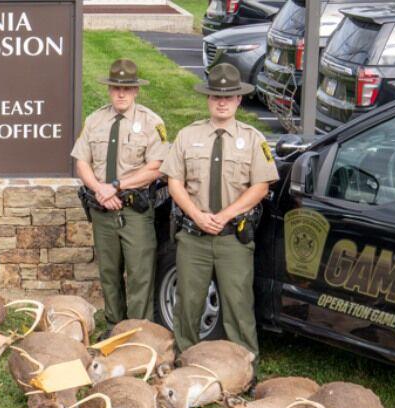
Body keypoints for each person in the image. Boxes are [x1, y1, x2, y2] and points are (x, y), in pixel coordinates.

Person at [159, 63, 279, 357]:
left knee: (238, 305)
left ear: (239, 99)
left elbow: (261, 186)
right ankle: (185, 363)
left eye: (229, 96)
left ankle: (244, 368)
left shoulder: (253, 139)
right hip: (194, 236)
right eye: (216, 96)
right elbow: (174, 182)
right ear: (208, 99)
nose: (222, 102)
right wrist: (197, 215)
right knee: (188, 304)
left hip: (232, 238)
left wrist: (225, 215)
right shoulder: (188, 136)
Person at [71, 59, 169, 333]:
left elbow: (157, 168)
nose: (121, 94)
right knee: (109, 274)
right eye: (116, 88)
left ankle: (138, 333)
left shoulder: (152, 123)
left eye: (127, 88)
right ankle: (115, 328)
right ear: (109, 89)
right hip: (103, 210)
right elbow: (81, 161)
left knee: (140, 275)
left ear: (136, 90)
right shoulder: (95, 120)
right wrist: (100, 189)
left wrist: (116, 186)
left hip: (134, 211)